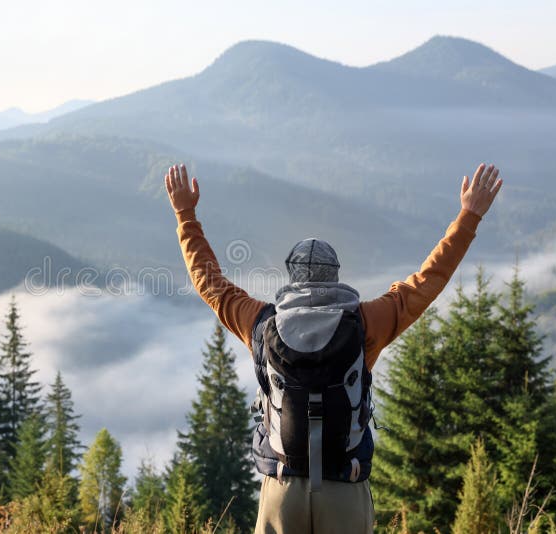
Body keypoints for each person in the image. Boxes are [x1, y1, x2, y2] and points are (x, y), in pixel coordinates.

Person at [164, 163, 503, 533]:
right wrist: (468, 216)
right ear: (336, 275)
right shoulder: (366, 322)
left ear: (291, 276)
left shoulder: (260, 324)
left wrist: (185, 214)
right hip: (345, 486)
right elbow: (427, 281)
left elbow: (209, 282)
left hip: (282, 487)